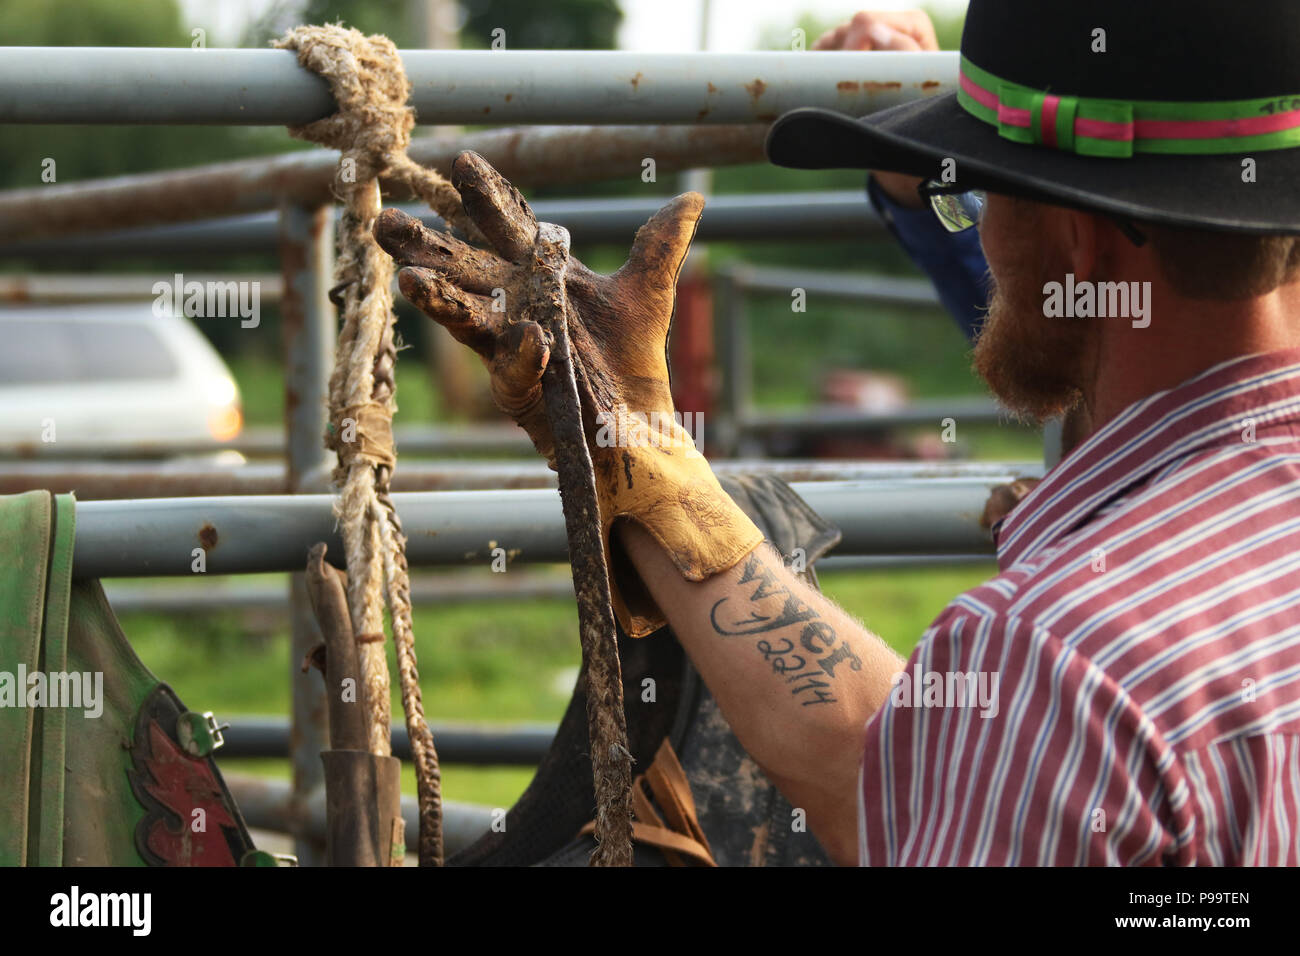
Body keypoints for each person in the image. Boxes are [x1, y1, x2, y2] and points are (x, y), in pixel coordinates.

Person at [376, 0, 1300, 865]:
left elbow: (1022, 742)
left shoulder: (1064, 668)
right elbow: (917, 785)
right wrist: (639, 454)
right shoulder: (1091, 686)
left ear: (1078, 239)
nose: (976, 236)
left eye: (977, 193)